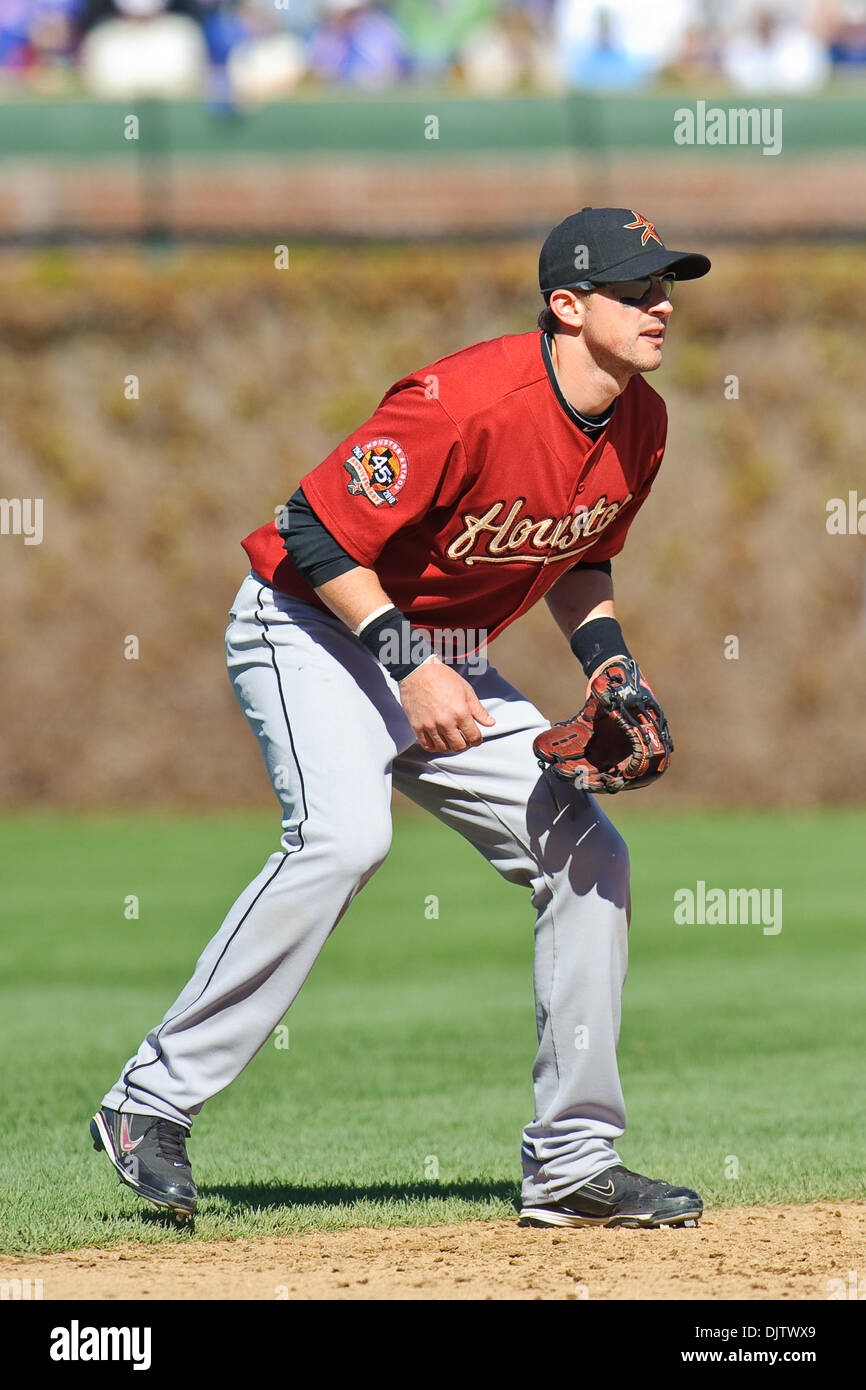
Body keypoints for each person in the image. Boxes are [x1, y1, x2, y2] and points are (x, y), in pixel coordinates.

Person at [91, 206, 710, 1230]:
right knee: (342, 838)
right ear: (565, 305)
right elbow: (312, 529)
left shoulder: (640, 422)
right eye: (637, 287)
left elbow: (579, 555)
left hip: (444, 654)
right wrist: (410, 666)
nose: (662, 303)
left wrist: (610, 668)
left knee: (591, 857)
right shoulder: (463, 399)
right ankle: (147, 1103)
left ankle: (570, 1163)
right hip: (310, 625)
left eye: (666, 283)